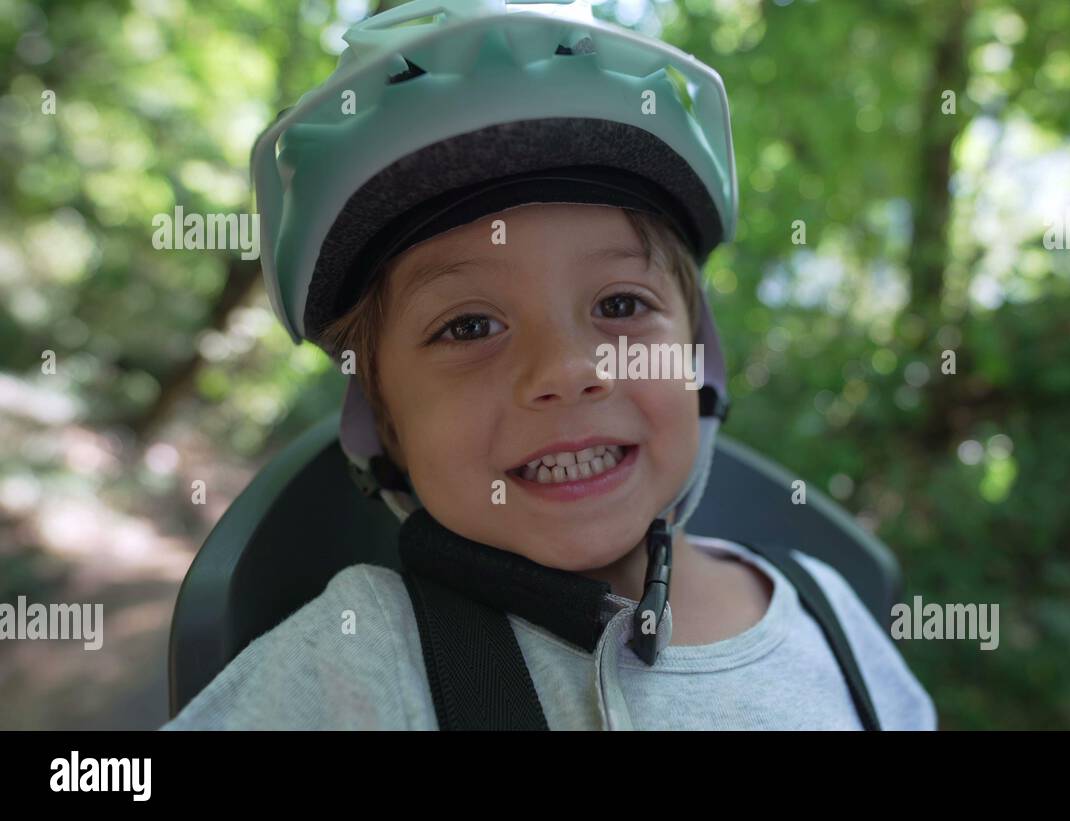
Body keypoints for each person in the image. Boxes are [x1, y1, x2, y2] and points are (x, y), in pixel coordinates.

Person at [163, 0, 936, 731]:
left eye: (622, 305)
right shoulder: (359, 657)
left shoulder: (827, 609)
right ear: (384, 420)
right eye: (469, 325)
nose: (566, 370)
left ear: (697, 353)